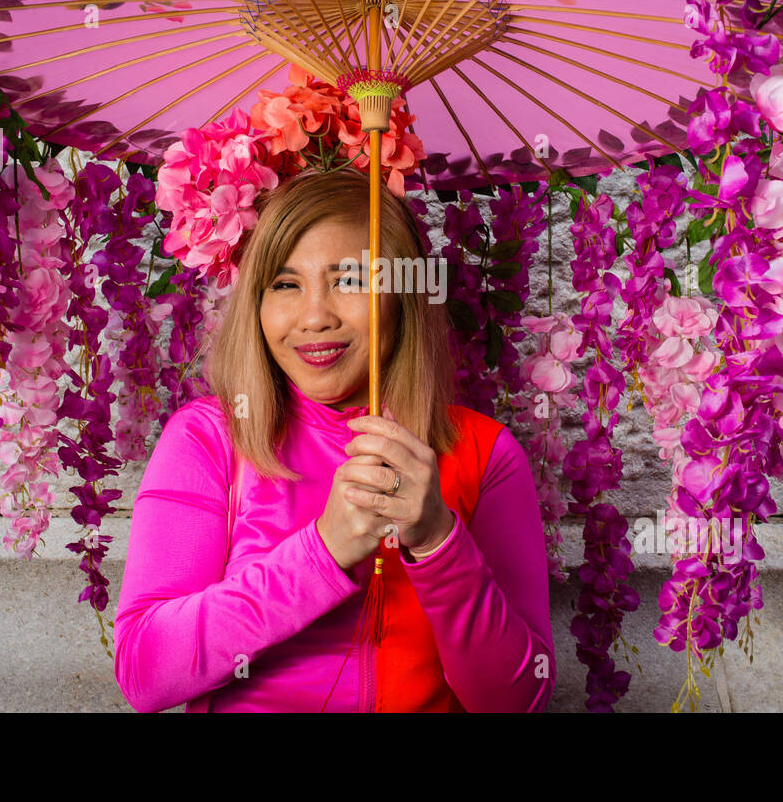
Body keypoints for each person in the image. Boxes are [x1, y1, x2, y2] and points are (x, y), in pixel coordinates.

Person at [113, 165, 554, 712]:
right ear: (257, 303)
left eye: (351, 281)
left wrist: (438, 538)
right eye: (285, 284)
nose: (315, 317)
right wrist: (325, 551)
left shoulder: (484, 450)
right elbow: (144, 672)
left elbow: (518, 700)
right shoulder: (209, 440)